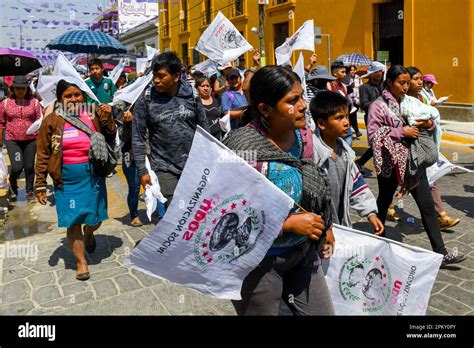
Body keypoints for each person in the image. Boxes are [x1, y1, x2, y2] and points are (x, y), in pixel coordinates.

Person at [223, 66, 335, 315]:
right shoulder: (242, 149)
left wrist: (326, 227)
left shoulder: (303, 137)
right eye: (292, 100)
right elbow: (225, 214)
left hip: (302, 252)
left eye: (302, 97)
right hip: (256, 262)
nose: (304, 105)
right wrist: (286, 225)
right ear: (265, 109)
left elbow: (313, 187)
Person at [367, 65, 465, 268]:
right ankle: (377, 242)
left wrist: (429, 125)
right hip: (390, 163)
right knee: (384, 202)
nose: (404, 87)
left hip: (413, 162)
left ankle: (441, 253)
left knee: (427, 206)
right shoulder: (378, 106)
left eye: (406, 82)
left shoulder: (412, 102)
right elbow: (373, 134)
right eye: (400, 83)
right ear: (389, 82)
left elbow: (431, 123)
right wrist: (401, 132)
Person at [35, 80, 117, 281]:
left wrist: (109, 118)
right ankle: (81, 262)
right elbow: (43, 152)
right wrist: (40, 183)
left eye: (77, 95)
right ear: (60, 99)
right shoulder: (52, 120)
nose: (73, 99)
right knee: (73, 221)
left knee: (95, 218)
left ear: (83, 95)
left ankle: (89, 233)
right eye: (68, 96)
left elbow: (111, 135)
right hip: (66, 181)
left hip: (93, 178)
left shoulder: (93, 114)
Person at [132, 52, 210, 207]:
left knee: (195, 209)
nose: (156, 80)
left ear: (176, 76)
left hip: (193, 165)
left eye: (161, 76)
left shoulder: (192, 95)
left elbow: (204, 130)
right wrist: (142, 171)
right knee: (177, 208)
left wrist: (210, 160)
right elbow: (138, 137)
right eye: (154, 75)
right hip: (163, 167)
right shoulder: (146, 99)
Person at [310, 90, 384, 235]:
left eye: (346, 116)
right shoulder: (311, 154)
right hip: (317, 228)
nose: (346, 122)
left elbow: (357, 185)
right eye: (339, 118)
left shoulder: (345, 152)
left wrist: (370, 213)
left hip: (340, 225)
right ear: (321, 123)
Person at [406, 66, 460, 231]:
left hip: (427, 147)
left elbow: (430, 119)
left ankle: (441, 216)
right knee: (401, 182)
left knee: (431, 180)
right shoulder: (402, 101)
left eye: (421, 78)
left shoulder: (422, 98)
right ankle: (386, 206)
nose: (420, 82)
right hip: (410, 150)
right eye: (416, 79)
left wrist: (429, 124)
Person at [0, 76, 42, 202]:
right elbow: (1, 123)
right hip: (13, 140)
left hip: (30, 140)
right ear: (13, 88)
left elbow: (40, 120)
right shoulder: (5, 103)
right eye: (17, 88)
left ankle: (29, 190)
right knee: (17, 167)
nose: (20, 91)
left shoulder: (34, 102)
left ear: (27, 89)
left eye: (22, 88)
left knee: (29, 166)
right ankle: (13, 185)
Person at [355, 61, 386, 174]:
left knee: (383, 142)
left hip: (385, 118)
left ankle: (362, 162)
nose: (380, 74)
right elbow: (364, 105)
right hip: (372, 119)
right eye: (377, 72)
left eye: (381, 72)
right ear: (371, 73)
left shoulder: (385, 86)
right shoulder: (364, 87)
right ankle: (360, 162)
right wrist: (379, 101)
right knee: (377, 143)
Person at [327, 61, 353, 146]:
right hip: (335, 123)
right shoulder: (329, 85)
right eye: (342, 72)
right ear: (334, 73)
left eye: (345, 72)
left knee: (348, 148)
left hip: (345, 121)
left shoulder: (344, 87)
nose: (345, 75)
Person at [348, 65, 362, 138]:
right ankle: (356, 131)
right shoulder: (347, 78)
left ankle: (348, 131)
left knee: (352, 116)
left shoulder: (358, 78)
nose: (352, 71)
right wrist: (350, 85)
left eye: (353, 70)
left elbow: (361, 87)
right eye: (351, 70)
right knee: (353, 115)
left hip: (357, 100)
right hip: (350, 100)